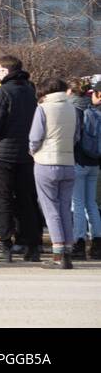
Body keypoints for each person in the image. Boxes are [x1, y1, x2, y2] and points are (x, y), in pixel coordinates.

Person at [0, 55, 42, 262]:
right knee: (27, 200)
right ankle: (32, 246)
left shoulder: (0, 93)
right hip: (27, 154)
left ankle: (4, 244)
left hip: (3, 154)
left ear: (6, 71)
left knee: (4, 200)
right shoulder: (30, 92)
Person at [30, 78, 81, 269]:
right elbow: (76, 136)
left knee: (51, 209)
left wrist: (33, 151)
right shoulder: (74, 109)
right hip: (68, 162)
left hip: (45, 162)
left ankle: (58, 254)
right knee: (65, 208)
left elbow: (35, 137)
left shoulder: (43, 108)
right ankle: (68, 251)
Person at [71, 78, 101, 260]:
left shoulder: (75, 111)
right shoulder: (94, 111)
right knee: (92, 203)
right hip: (94, 162)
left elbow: (74, 139)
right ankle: (97, 242)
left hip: (78, 161)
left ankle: (79, 242)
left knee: (77, 204)